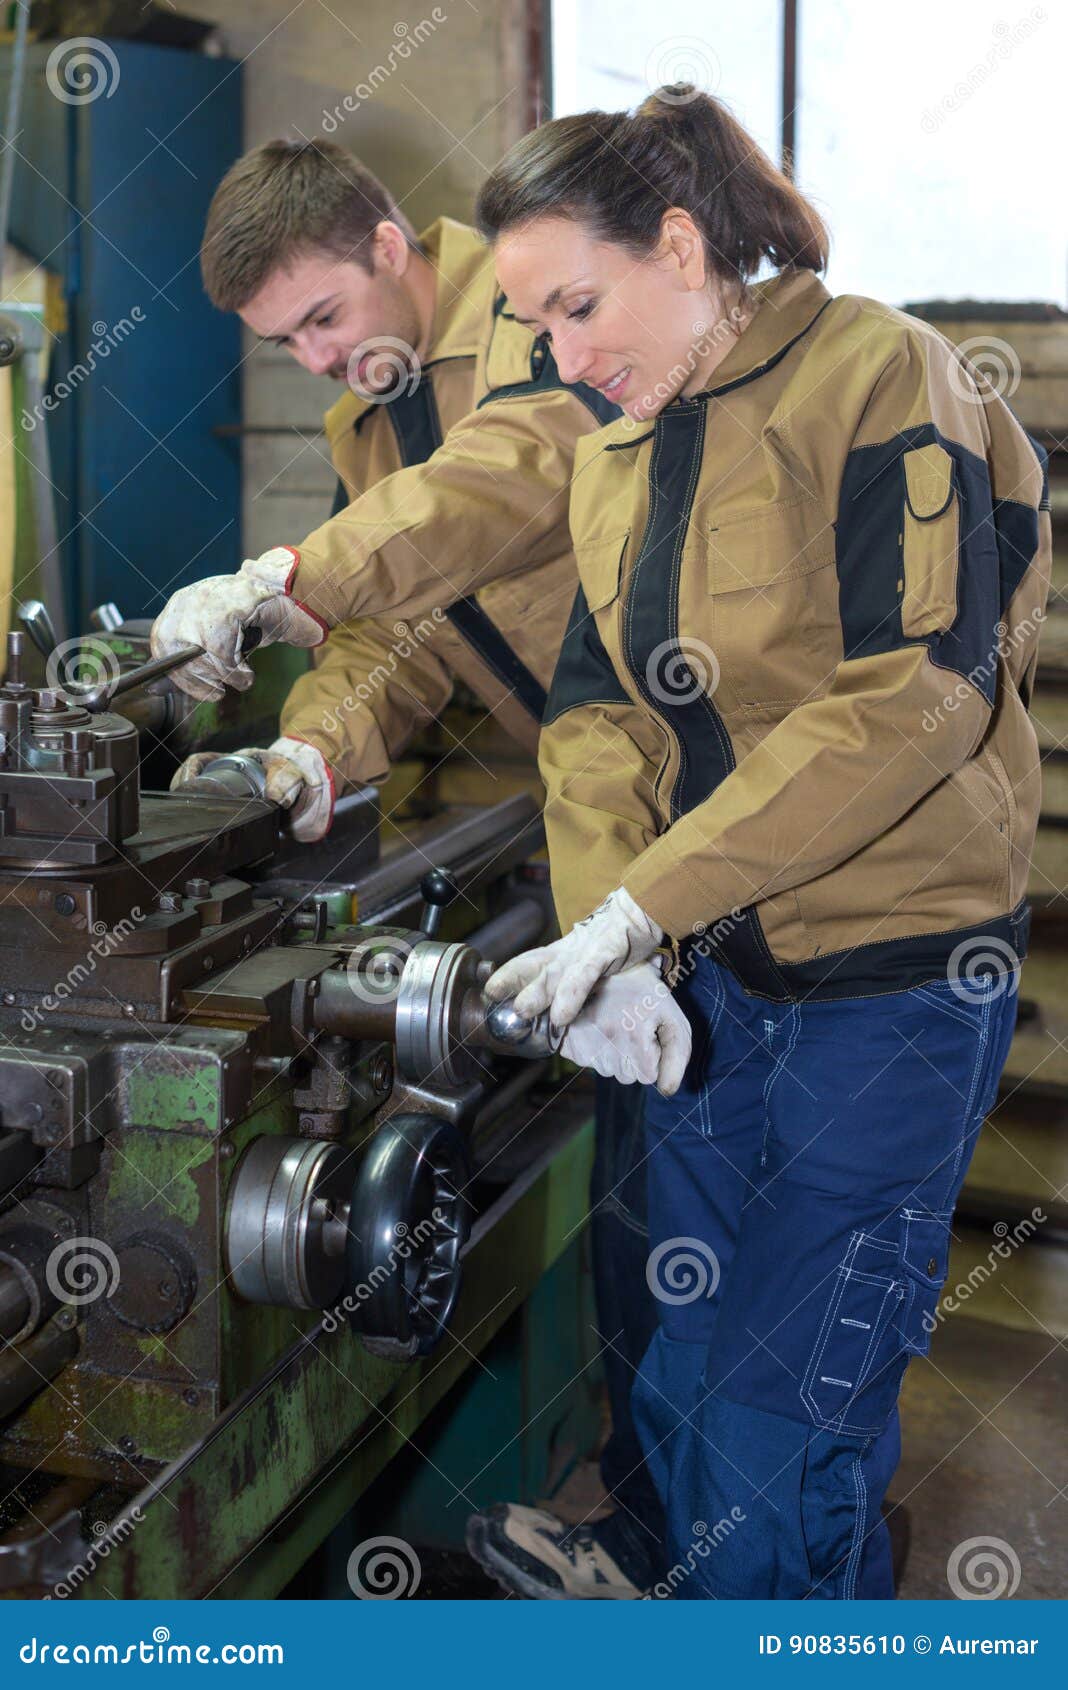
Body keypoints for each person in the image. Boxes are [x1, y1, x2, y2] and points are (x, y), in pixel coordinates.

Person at [466, 87, 1051, 1600]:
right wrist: (611, 932)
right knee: (687, 1361)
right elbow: (598, 723)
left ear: (679, 243)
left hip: (893, 985)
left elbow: (918, 694)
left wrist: (644, 900)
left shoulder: (881, 372)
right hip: (716, 978)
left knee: (782, 1412)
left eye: (582, 306)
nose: (569, 361)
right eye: (540, 331)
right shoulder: (614, 459)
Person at [152, 140, 674, 1595]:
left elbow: (491, 488)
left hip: (706, 776)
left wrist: (286, 577)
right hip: (592, 797)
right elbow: (409, 629)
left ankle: (746, 1573)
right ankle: (644, 1529)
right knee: (649, 1200)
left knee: (725, 1207)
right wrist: (311, 750)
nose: (318, 358)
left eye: (321, 319)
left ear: (390, 241)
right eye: (284, 346)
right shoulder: (370, 416)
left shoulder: (546, 315)